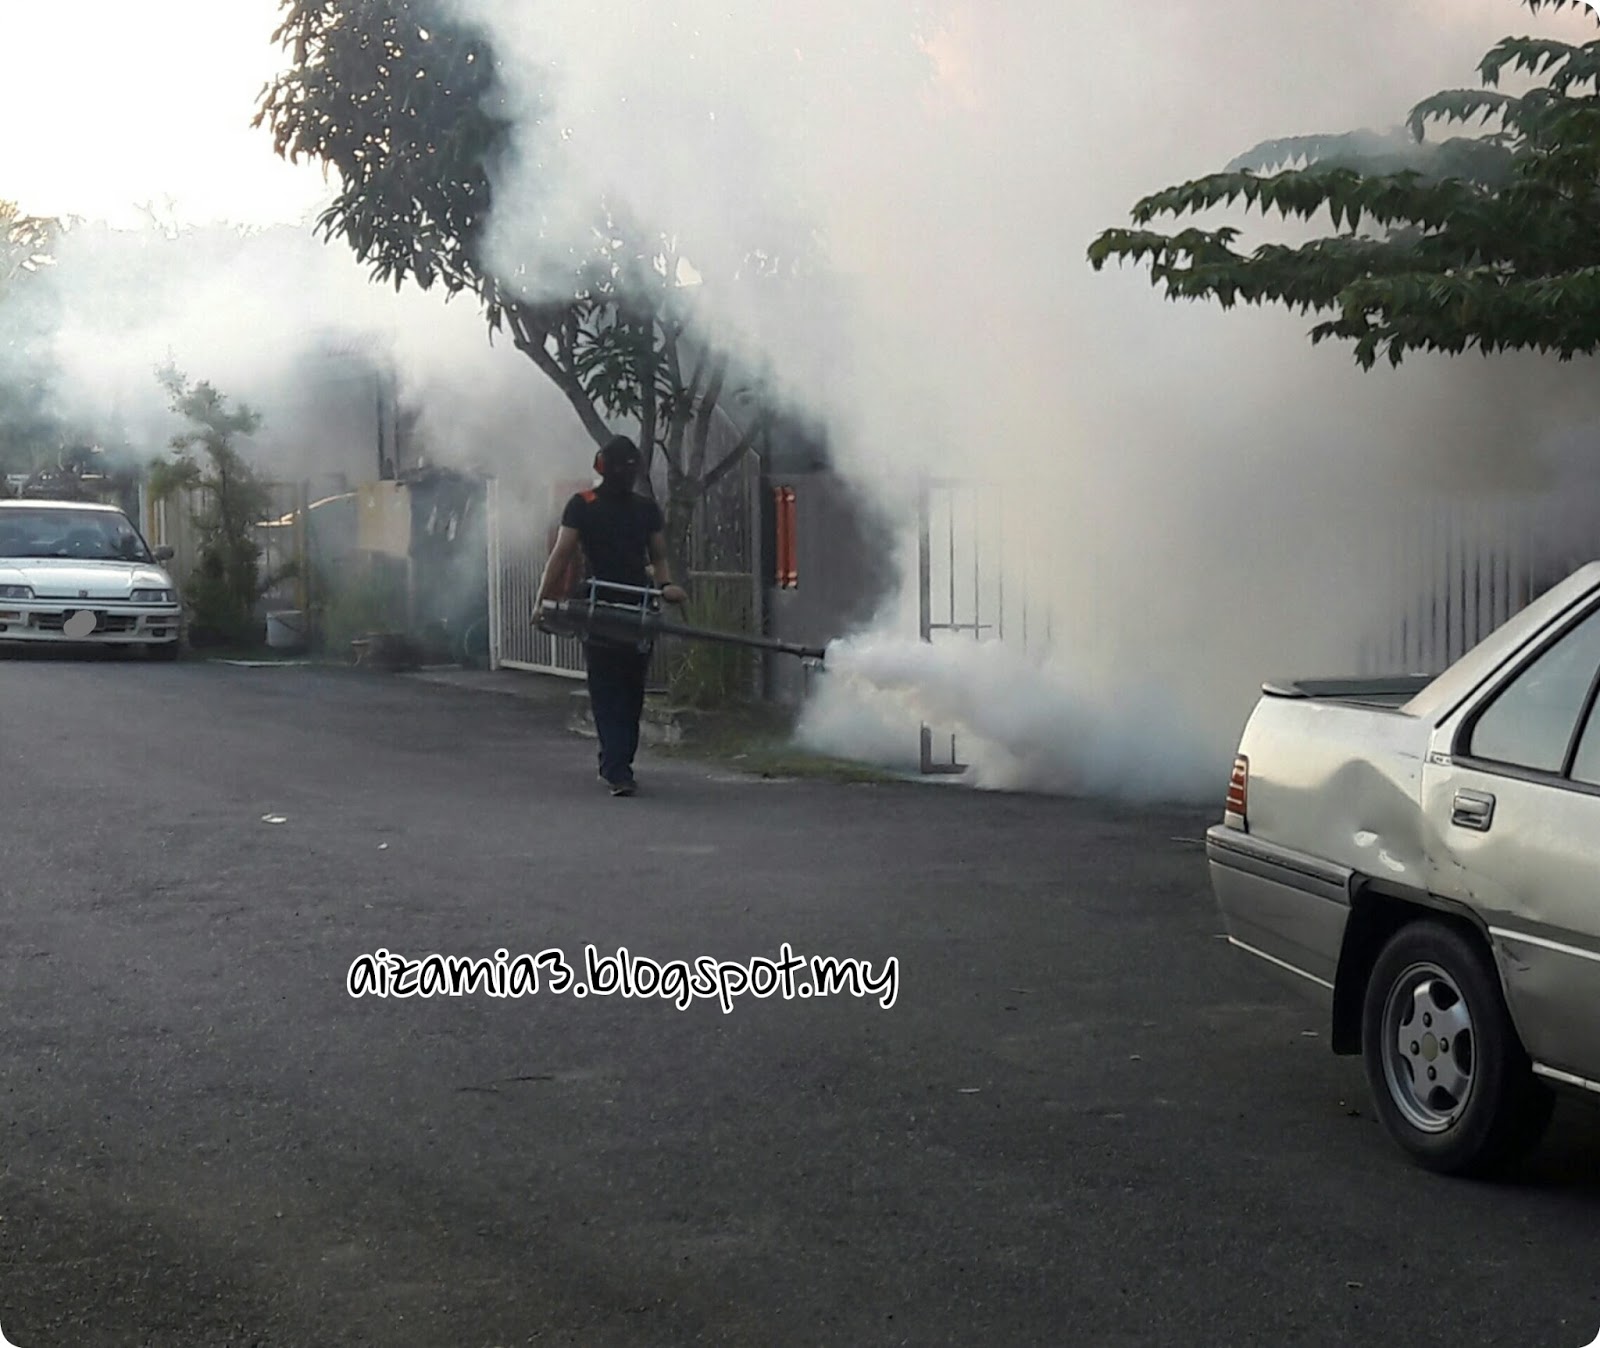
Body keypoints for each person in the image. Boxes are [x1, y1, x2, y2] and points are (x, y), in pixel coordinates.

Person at [535, 435, 686, 796]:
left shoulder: (584, 504)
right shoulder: (644, 508)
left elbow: (561, 555)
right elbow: (659, 558)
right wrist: (665, 585)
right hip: (633, 608)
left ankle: (617, 768)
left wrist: (541, 600)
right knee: (629, 691)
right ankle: (618, 766)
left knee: (608, 690)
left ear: (599, 466)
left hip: (603, 608)